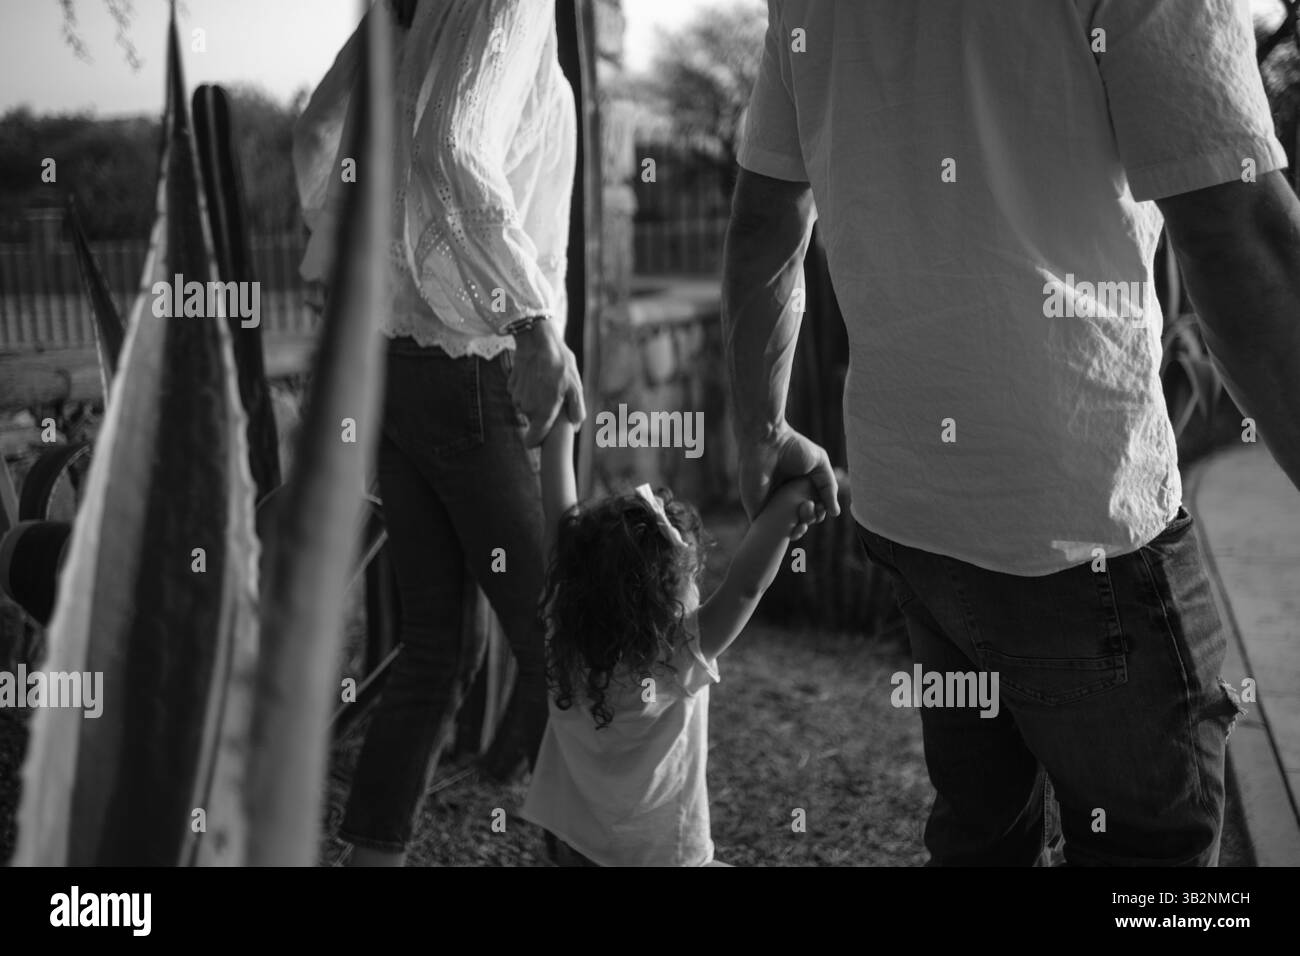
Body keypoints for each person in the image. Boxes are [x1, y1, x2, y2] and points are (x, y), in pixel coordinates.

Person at [724, 0, 1300, 865]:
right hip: (1084, 520)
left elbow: (767, 223)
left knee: (982, 834)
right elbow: (1237, 235)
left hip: (912, 513)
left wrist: (760, 435)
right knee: (1156, 865)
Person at [294, 0, 583, 866]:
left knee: (433, 648)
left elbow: (316, 134)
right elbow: (447, 148)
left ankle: (370, 855)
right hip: (472, 366)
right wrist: (529, 323)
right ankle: (589, 852)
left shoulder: (400, 11)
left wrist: (358, 250)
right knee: (556, 646)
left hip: (394, 367)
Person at [519, 421, 822, 866]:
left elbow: (559, 519)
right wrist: (793, 496)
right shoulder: (679, 653)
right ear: (666, 597)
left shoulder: (564, 625)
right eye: (690, 577)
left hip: (577, 848)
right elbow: (746, 587)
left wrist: (562, 426)